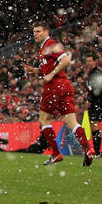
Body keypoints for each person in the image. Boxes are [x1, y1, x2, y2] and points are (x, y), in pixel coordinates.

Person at [23, 22, 94, 167]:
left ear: (46, 32)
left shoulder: (51, 45)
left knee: (44, 120)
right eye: (34, 31)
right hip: (64, 85)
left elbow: (65, 60)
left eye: (38, 31)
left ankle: (56, 154)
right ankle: (88, 149)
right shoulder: (44, 48)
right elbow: (50, 66)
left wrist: (51, 74)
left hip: (55, 86)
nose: (35, 34)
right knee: (71, 121)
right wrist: (36, 70)